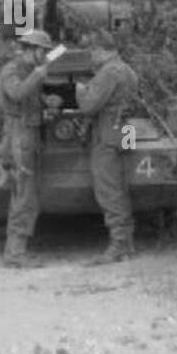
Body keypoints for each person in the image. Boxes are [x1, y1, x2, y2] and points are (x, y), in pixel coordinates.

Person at [75, 32, 140, 265]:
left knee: (108, 189)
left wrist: (81, 90)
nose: (92, 56)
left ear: (104, 50)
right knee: (121, 188)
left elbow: (89, 106)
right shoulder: (127, 70)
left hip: (108, 133)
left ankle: (118, 244)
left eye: (94, 51)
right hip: (125, 131)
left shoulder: (108, 72)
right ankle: (127, 242)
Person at [0, 29, 55, 267]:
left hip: (29, 133)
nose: (46, 56)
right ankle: (15, 254)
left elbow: (30, 99)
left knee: (27, 194)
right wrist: (38, 77)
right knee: (24, 195)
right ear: (34, 50)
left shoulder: (29, 71)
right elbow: (17, 94)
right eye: (44, 51)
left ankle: (16, 251)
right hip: (19, 135)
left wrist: (47, 102)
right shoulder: (12, 70)